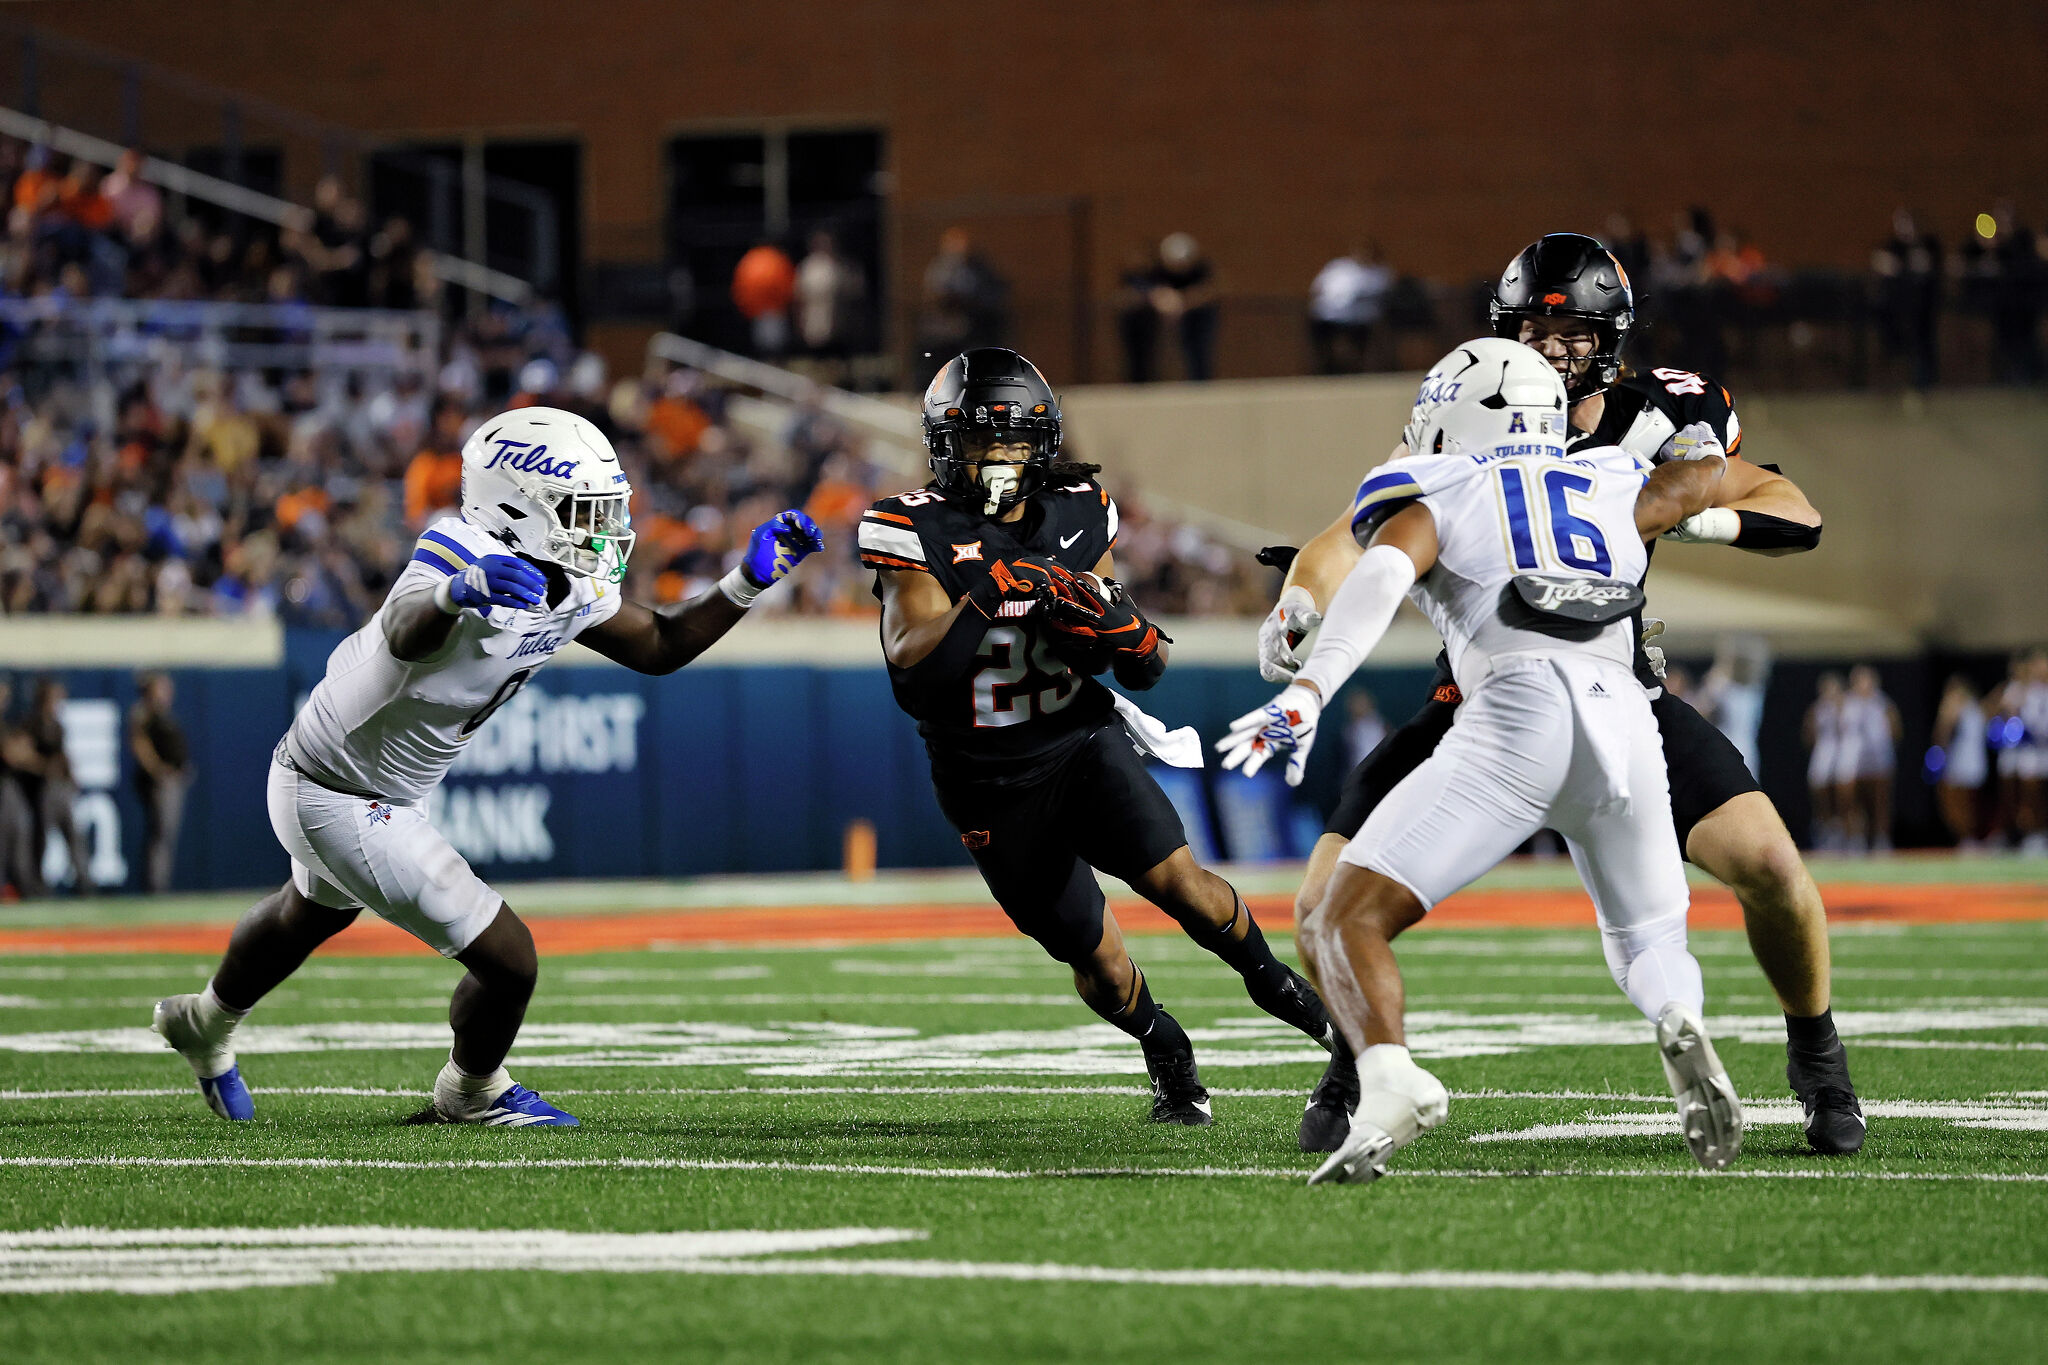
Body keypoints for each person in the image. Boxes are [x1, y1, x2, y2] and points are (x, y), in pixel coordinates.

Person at [1259, 234, 1863, 1157]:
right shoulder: (1471, 409)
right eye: (1538, 326)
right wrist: (1302, 594)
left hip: (1614, 677)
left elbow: (1793, 506)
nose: (1557, 346)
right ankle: (1355, 1059)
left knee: (1774, 868)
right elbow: (1349, 537)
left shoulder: (1652, 420)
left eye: (1576, 331)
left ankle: (1818, 1056)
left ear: (1612, 336)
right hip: (1479, 691)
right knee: (1318, 902)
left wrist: (1712, 518)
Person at [150, 407, 825, 1124]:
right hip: (336, 790)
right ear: (516, 507)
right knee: (510, 959)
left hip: (365, 781)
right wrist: (456, 591)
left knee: (305, 915)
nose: (602, 528)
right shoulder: (457, 548)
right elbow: (404, 633)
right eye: (581, 509)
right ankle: (471, 1092)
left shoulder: (568, 575)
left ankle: (204, 1022)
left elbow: (657, 645)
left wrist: (746, 582)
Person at [1221, 338, 1743, 1183]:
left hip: (1515, 708)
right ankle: (1678, 1011)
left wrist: (1307, 691)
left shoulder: (1443, 482)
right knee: (1647, 938)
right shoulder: (1612, 474)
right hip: (1626, 717)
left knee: (1338, 916)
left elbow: (1382, 577)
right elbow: (1694, 473)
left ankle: (1391, 1081)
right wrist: (1710, 485)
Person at [859, 347, 1334, 1125]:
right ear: (947, 446)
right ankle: (1164, 1045)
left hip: (1078, 741)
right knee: (1097, 958)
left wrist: (1127, 634)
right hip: (986, 779)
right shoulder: (910, 527)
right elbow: (915, 678)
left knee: (1185, 886)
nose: (997, 461)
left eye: (1013, 444)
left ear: (1041, 445)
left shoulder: (1079, 509)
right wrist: (989, 599)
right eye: (981, 442)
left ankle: (1308, 1011)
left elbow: (1135, 663)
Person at [19, 679, 93, 896]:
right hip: (43, 789)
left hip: (61, 788)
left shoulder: (57, 725)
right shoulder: (31, 723)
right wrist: (44, 766)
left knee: (73, 834)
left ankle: (84, 882)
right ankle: (35, 885)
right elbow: (20, 754)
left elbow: (62, 755)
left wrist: (71, 774)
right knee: (40, 839)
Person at [129, 673, 192, 894]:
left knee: (166, 835)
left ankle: (160, 884)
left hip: (174, 780)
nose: (167, 692)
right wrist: (156, 769)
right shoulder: (144, 713)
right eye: (162, 687)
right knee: (160, 834)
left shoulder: (164, 715)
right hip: (161, 782)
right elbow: (139, 744)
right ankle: (155, 886)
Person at [1308, 244, 1394, 374]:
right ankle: (1326, 369)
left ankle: (1356, 370)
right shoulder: (1338, 267)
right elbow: (1317, 288)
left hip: (1359, 320)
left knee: (1358, 345)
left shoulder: (1379, 273)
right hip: (1328, 316)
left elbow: (1378, 296)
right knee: (1322, 340)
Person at [1843, 665, 1902, 853]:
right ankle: (1856, 840)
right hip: (1854, 761)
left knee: (1880, 803)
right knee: (1854, 803)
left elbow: (1895, 730)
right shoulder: (1847, 703)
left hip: (1879, 759)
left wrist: (1886, 750)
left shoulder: (1883, 703)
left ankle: (1881, 839)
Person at [1931, 675, 1989, 850]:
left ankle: (1969, 837)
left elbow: (1940, 737)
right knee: (1958, 804)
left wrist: (1946, 715)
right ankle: (1967, 838)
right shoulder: (1976, 709)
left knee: (1962, 803)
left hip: (1963, 762)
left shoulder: (1967, 709)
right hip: (1967, 761)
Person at [1804, 673, 1849, 852]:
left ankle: (1849, 835)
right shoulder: (1817, 709)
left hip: (1843, 753)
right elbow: (1809, 735)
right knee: (1820, 793)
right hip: (1823, 753)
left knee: (1844, 795)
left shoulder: (1847, 707)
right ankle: (1826, 830)